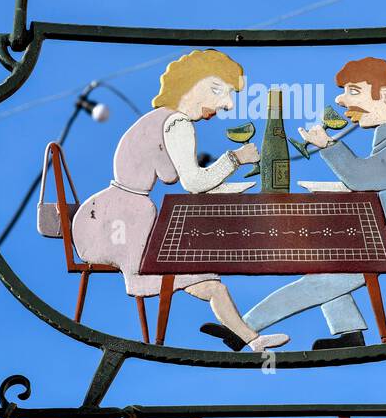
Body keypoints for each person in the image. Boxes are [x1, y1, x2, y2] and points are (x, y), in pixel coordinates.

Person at [233, 56, 386, 349]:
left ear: (384, 95)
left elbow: (365, 179)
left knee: (328, 271)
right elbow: (382, 180)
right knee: (327, 260)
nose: (341, 100)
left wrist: (328, 145)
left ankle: (242, 328)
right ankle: (349, 333)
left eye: (353, 91)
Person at [71, 49, 289, 353]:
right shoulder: (177, 123)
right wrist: (235, 159)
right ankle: (251, 339)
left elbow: (174, 176)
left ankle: (252, 340)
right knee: (204, 278)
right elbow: (193, 182)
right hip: (118, 224)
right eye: (221, 92)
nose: (227, 104)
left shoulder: (159, 120)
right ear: (197, 84)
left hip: (102, 218)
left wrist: (224, 188)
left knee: (212, 283)